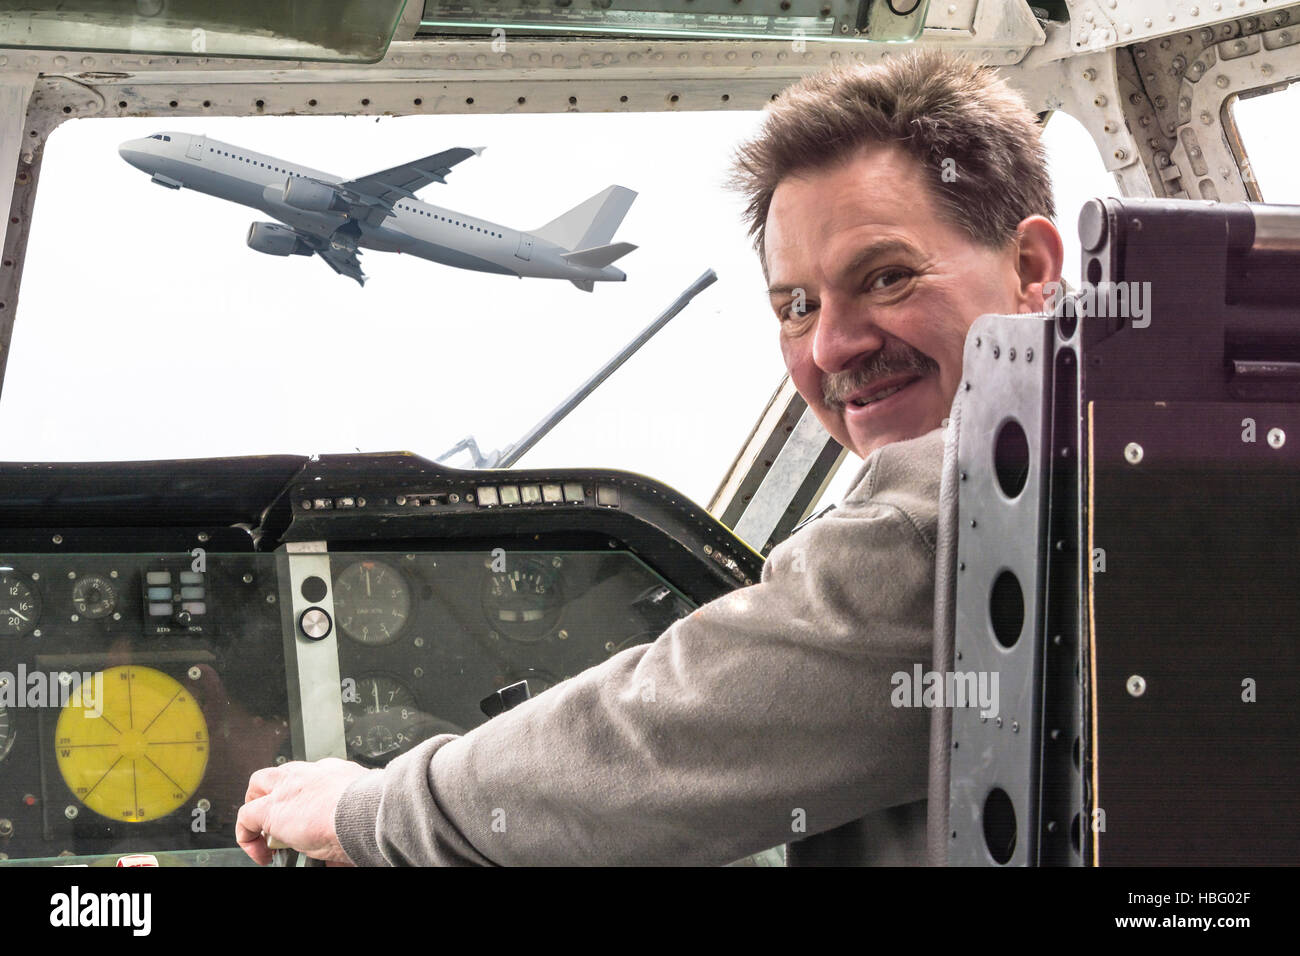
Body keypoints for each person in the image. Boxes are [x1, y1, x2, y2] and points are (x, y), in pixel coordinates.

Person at [235, 47, 1064, 866]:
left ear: (1031, 269)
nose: (835, 345)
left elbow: (658, 740)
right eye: (797, 306)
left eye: (886, 278)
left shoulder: (974, 505)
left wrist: (363, 809)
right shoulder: (1107, 448)